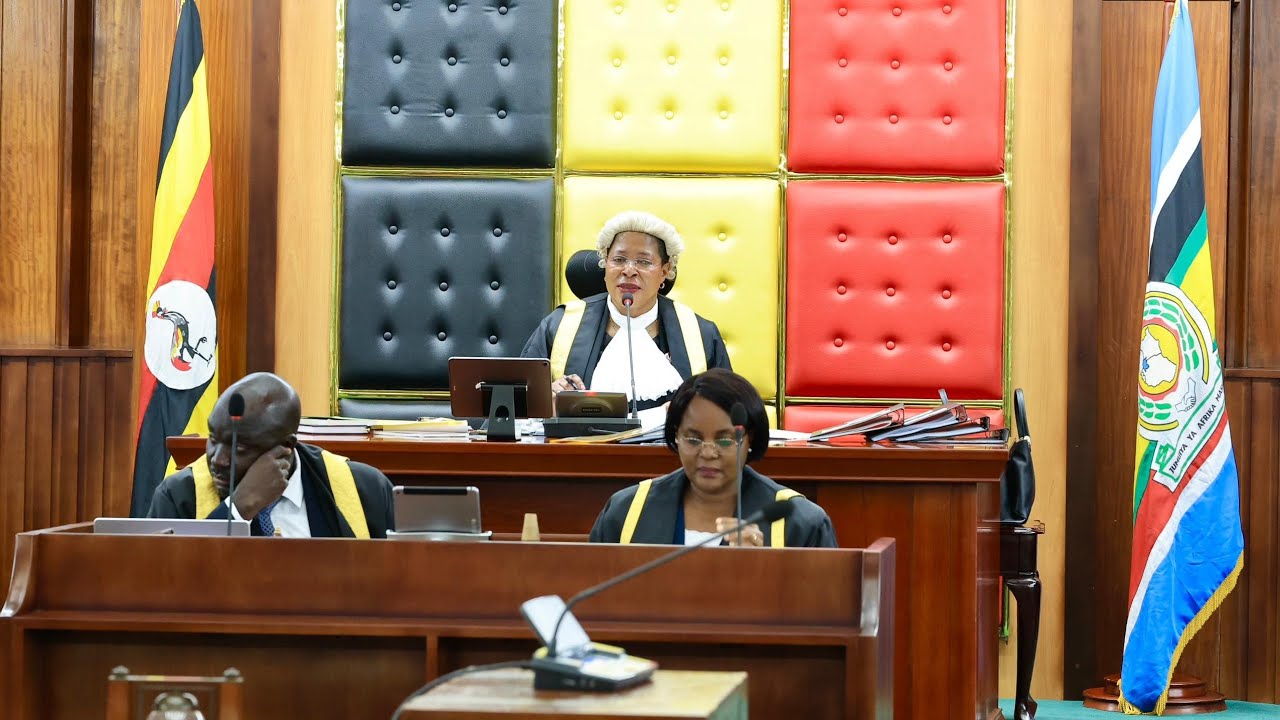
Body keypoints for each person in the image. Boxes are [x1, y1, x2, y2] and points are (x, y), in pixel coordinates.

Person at [589, 369, 837, 547]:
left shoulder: (801, 523)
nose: (708, 453)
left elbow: (824, 605)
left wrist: (763, 571)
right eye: (693, 439)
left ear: (750, 439)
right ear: (676, 435)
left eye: (725, 440)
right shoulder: (627, 511)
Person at [521, 211, 732, 414]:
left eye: (644, 262)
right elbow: (517, 407)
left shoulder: (701, 334)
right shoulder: (559, 326)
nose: (629, 270)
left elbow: (728, 412)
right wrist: (546, 401)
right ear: (605, 265)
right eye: (619, 259)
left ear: (665, 272)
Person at [147, 372, 395, 538]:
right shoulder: (179, 496)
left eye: (239, 448)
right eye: (214, 438)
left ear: (286, 447)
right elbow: (161, 582)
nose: (218, 459)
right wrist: (238, 508)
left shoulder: (366, 490)